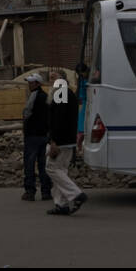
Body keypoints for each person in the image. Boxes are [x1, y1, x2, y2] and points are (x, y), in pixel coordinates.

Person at [44, 70, 85, 216]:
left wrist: (53, 140)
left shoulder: (61, 93)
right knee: (61, 170)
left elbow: (59, 120)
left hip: (60, 141)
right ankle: (61, 204)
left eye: (54, 77)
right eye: (50, 78)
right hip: (67, 139)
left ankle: (76, 194)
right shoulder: (66, 93)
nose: (51, 80)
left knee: (51, 168)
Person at [21, 73, 51, 202]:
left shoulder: (33, 96)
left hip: (33, 135)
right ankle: (46, 192)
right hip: (44, 135)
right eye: (29, 82)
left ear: (38, 83)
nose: (29, 84)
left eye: (32, 82)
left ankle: (30, 191)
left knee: (29, 164)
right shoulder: (46, 97)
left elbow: (26, 114)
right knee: (43, 165)